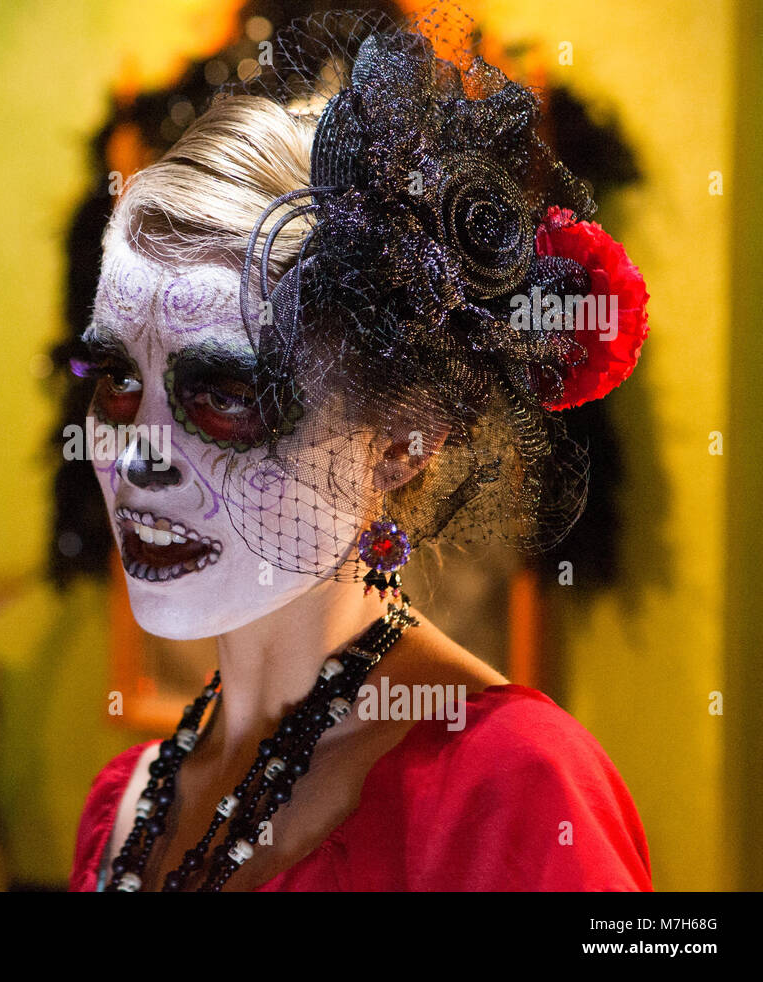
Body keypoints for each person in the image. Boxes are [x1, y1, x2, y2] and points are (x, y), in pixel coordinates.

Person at [68, 10, 652, 892]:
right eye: (117, 379)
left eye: (224, 394)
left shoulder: (508, 792)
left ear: (402, 440)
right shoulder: (125, 806)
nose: (139, 456)